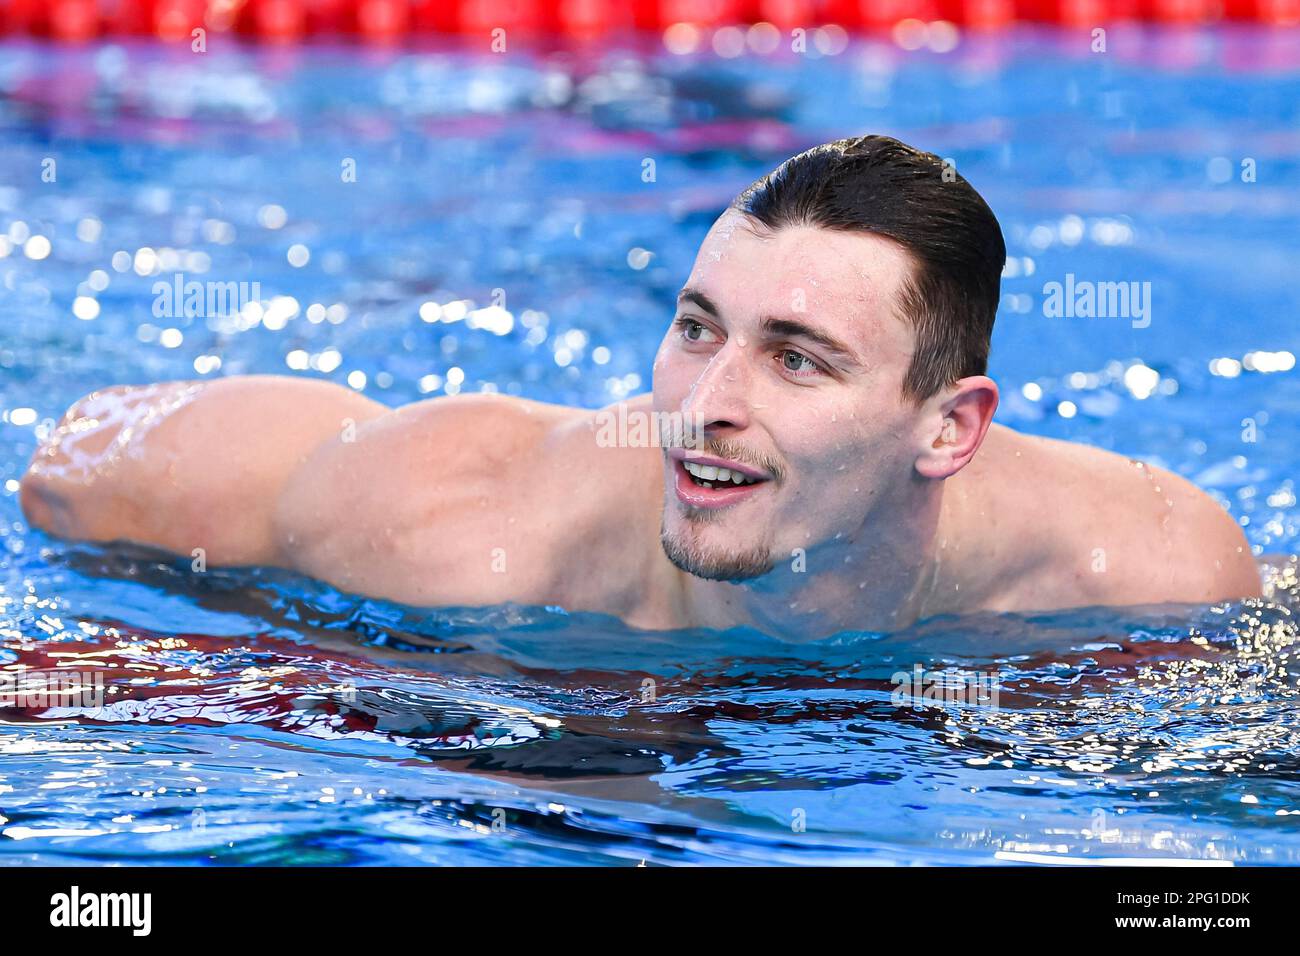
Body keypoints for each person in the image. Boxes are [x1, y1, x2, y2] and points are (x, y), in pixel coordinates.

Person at [18, 135, 1262, 638]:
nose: (703, 397)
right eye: (696, 326)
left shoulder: (1148, 568)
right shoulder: (466, 524)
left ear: (947, 426)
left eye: (795, 355)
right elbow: (76, 470)